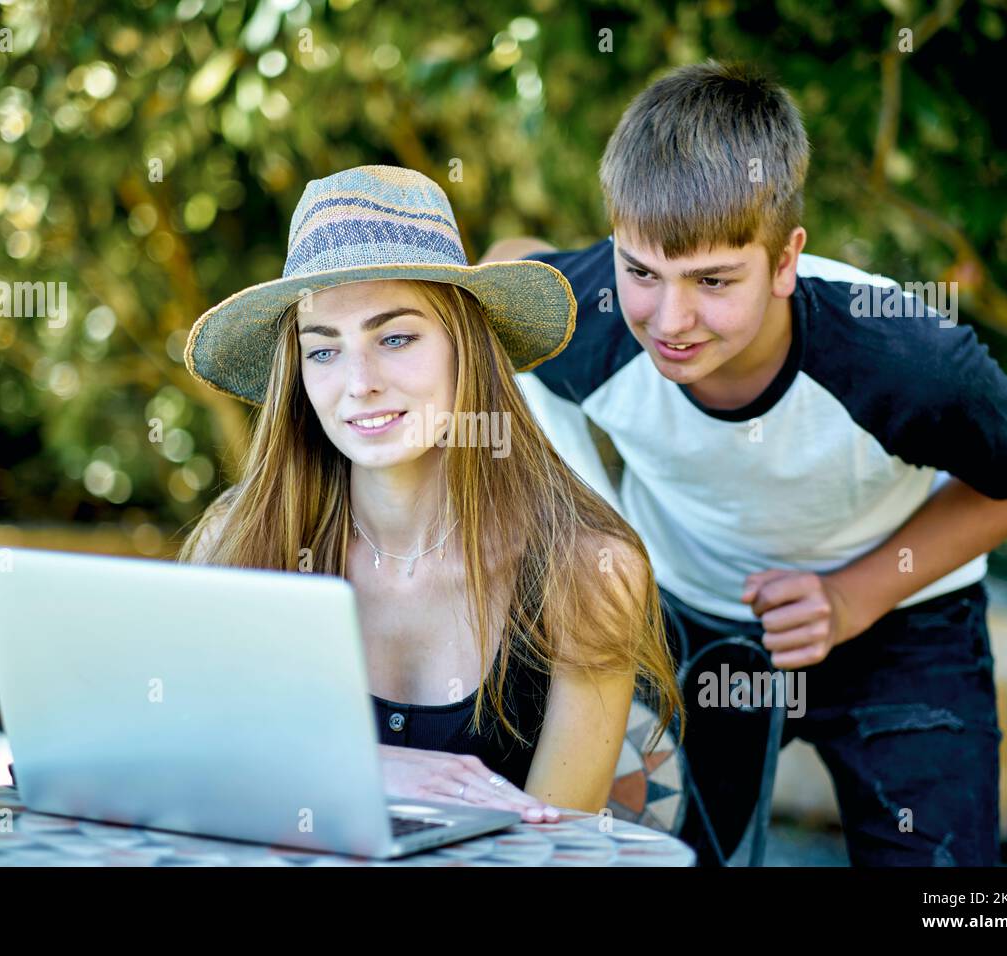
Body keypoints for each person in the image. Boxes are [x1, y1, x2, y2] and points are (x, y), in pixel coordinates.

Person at [482, 62, 1007, 863]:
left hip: (902, 619)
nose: (672, 319)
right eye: (642, 271)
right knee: (671, 858)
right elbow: (502, 270)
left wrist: (853, 596)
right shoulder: (590, 315)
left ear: (786, 260)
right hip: (690, 619)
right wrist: (586, 516)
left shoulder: (900, 355)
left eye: (714, 280)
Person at [177, 165, 683, 821]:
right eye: (323, 351)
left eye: (395, 338)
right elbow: (184, 776)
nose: (360, 382)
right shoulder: (239, 543)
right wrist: (372, 770)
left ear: (464, 349)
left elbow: (554, 847)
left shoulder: (586, 571)